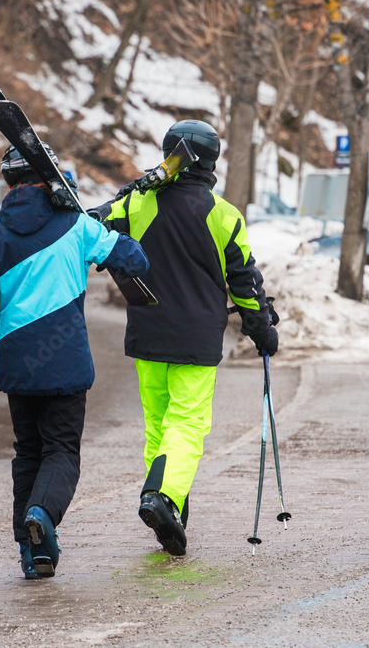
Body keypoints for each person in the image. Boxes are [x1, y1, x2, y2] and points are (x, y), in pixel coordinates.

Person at [0, 142, 149, 579]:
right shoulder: (77, 226)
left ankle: (31, 552)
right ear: (52, 177)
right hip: (67, 363)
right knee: (60, 451)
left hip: (17, 362)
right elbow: (136, 260)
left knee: (28, 453)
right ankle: (42, 515)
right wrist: (96, 227)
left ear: (9, 183)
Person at [91, 119, 278, 556]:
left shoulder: (136, 205)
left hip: (147, 332)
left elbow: (93, 225)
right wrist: (261, 330)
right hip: (196, 340)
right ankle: (162, 498)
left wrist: (118, 198)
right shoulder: (223, 215)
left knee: (159, 427)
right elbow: (245, 283)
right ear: (212, 160)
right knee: (189, 423)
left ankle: (168, 508)